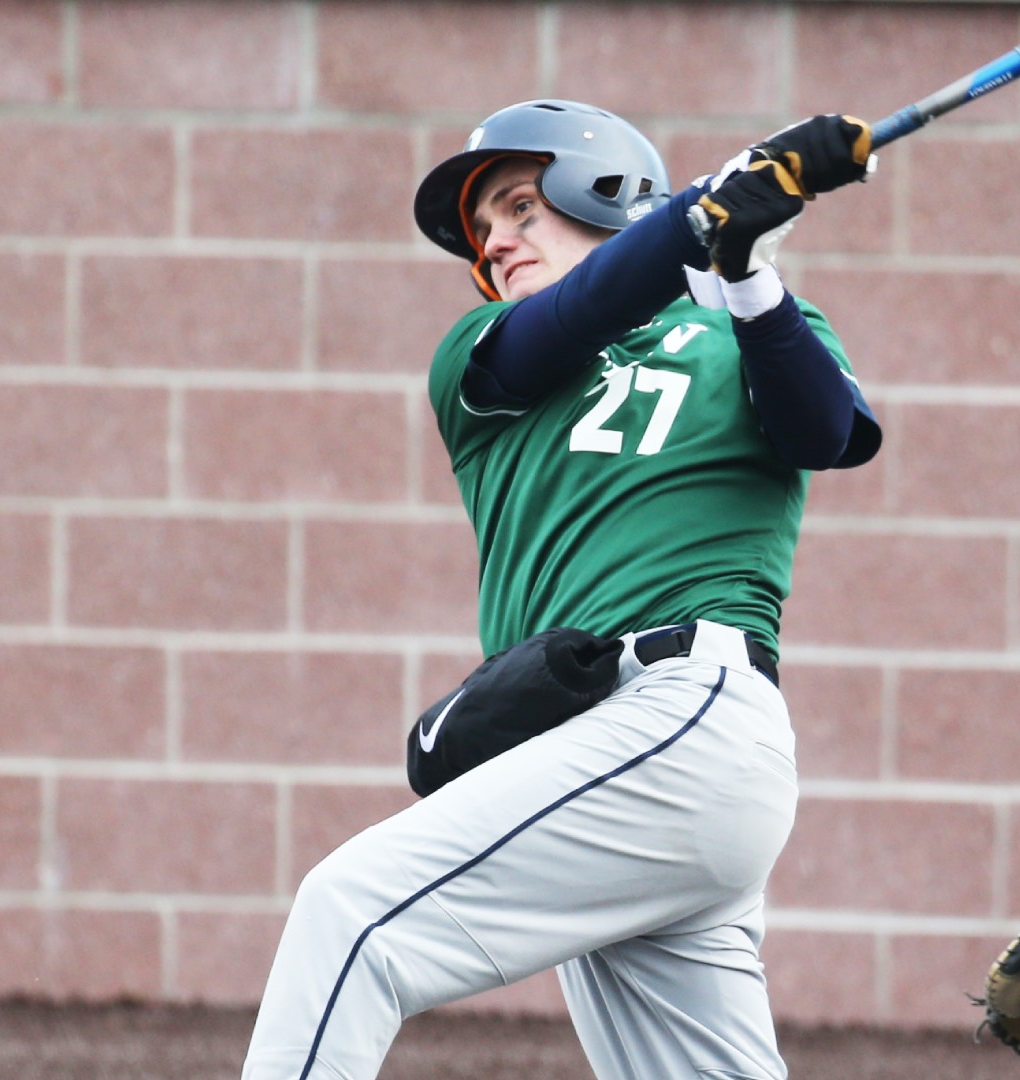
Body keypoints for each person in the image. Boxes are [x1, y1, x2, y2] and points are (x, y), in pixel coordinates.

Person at [239, 100, 882, 1080]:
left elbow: (824, 435)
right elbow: (589, 309)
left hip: (687, 715)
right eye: (485, 227)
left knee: (353, 913)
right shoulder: (486, 356)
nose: (495, 242)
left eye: (518, 207)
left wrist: (747, 270)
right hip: (594, 743)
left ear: (606, 193)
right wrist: (707, 215)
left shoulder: (745, 330)